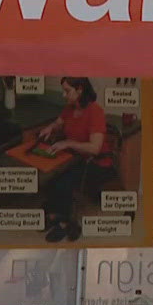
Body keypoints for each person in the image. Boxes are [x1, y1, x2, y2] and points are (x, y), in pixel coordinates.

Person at [39, 78, 114, 242]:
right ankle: (55, 215)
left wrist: (67, 143)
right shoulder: (70, 108)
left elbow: (95, 148)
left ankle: (66, 223)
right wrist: (49, 128)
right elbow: (58, 123)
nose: (63, 95)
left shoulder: (95, 112)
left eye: (67, 91)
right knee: (51, 176)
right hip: (77, 158)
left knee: (63, 182)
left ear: (80, 90)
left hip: (97, 162)